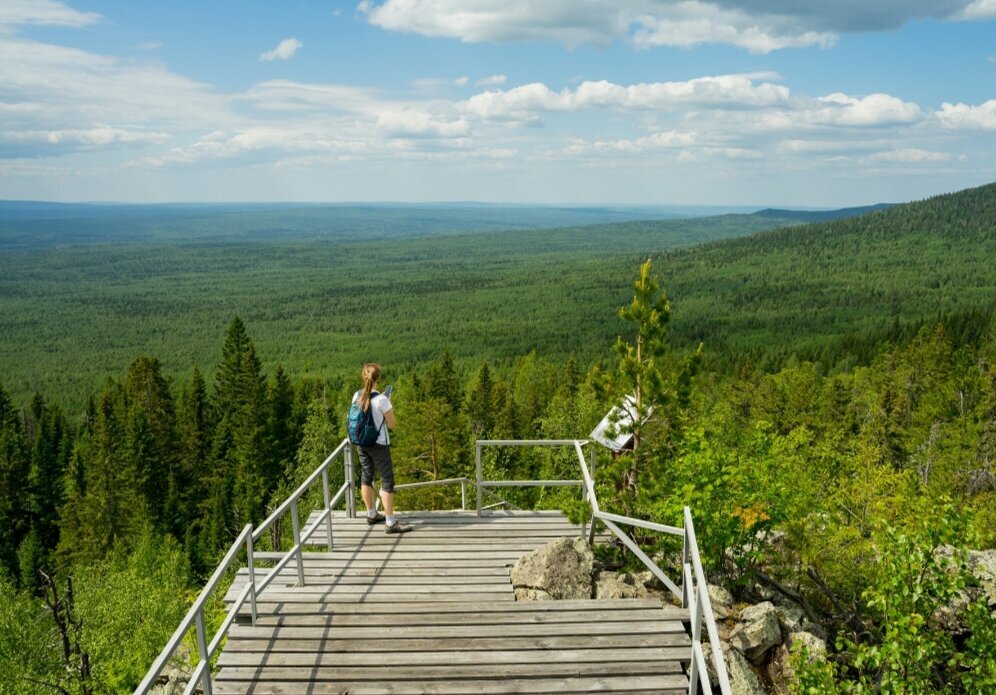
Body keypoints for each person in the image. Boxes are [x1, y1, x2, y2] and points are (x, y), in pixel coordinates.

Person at [352, 362, 412, 534]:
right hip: (379, 445)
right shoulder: (382, 400)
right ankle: (390, 522)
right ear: (378, 379)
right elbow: (392, 424)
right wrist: (388, 404)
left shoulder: (356, 396)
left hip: (362, 443)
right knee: (387, 480)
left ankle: (371, 514)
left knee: (366, 477)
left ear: (364, 377)